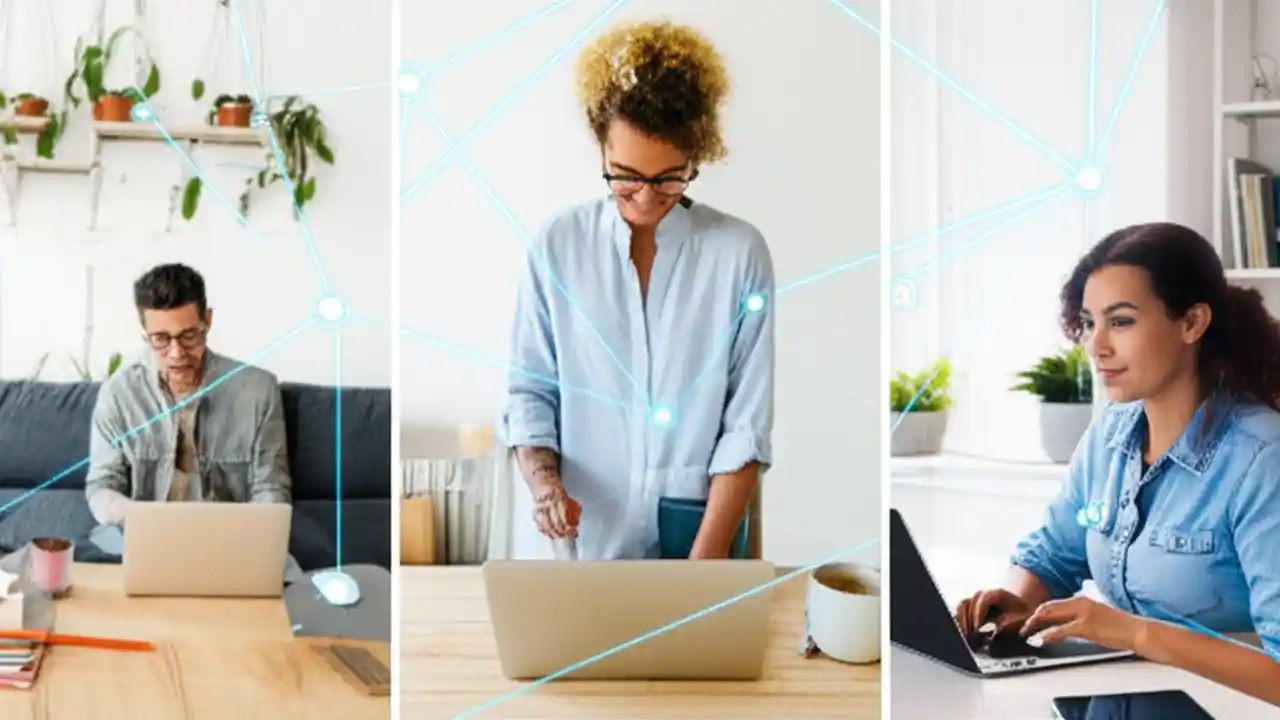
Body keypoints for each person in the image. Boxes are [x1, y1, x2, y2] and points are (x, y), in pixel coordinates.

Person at [953, 223, 1280, 705]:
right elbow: (1055, 551)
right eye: (1088, 322)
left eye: (1121, 321)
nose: (1096, 345)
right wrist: (1019, 601)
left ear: (1192, 323)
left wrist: (1135, 633)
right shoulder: (1111, 432)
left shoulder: (1261, 457)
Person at [500, 20, 774, 560]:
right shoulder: (558, 246)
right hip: (582, 555)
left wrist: (702, 570)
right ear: (600, 147)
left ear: (698, 156)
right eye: (624, 175)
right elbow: (529, 394)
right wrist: (546, 489)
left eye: (670, 178)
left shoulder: (739, 253)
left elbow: (746, 425)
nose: (646, 198)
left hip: (699, 547)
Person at [84, 263, 291, 531]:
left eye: (188, 336)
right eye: (160, 339)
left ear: (207, 320)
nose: (176, 353)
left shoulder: (258, 390)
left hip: (230, 543)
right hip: (145, 541)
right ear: (144, 332)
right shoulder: (118, 394)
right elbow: (102, 486)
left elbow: (271, 489)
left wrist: (254, 540)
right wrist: (142, 522)